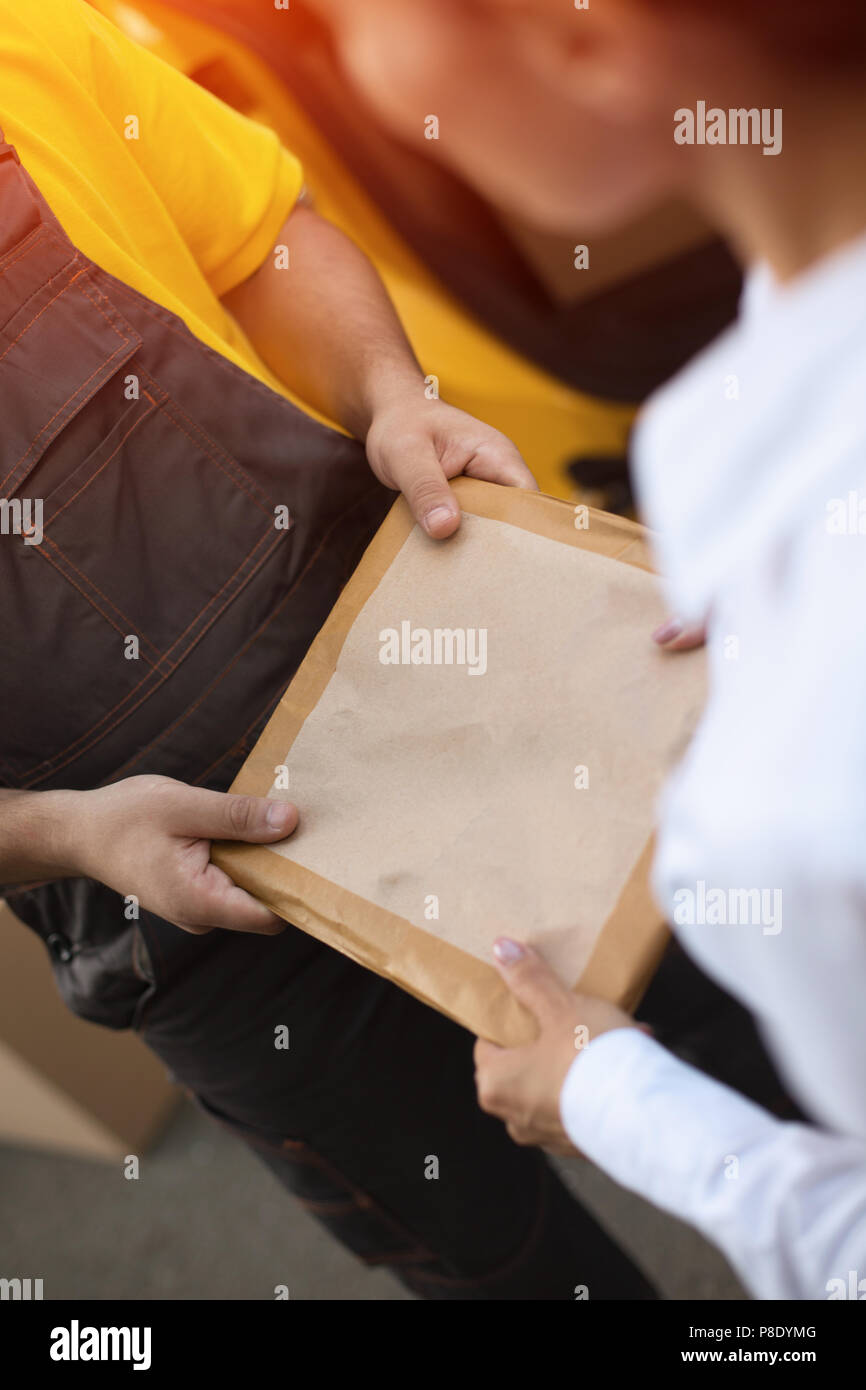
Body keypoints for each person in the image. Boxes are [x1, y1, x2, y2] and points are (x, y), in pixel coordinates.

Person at [0, 0, 664, 1300]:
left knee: (769, 1022)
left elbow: (263, 241)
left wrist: (392, 395)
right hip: (181, 911)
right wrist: (63, 834)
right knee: (497, 1258)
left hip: (432, 667)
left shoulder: (29, 42)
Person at [309, 0, 866, 1299]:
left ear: (583, 36)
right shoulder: (731, 420)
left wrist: (608, 1095)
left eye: (344, 19)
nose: (361, 76)